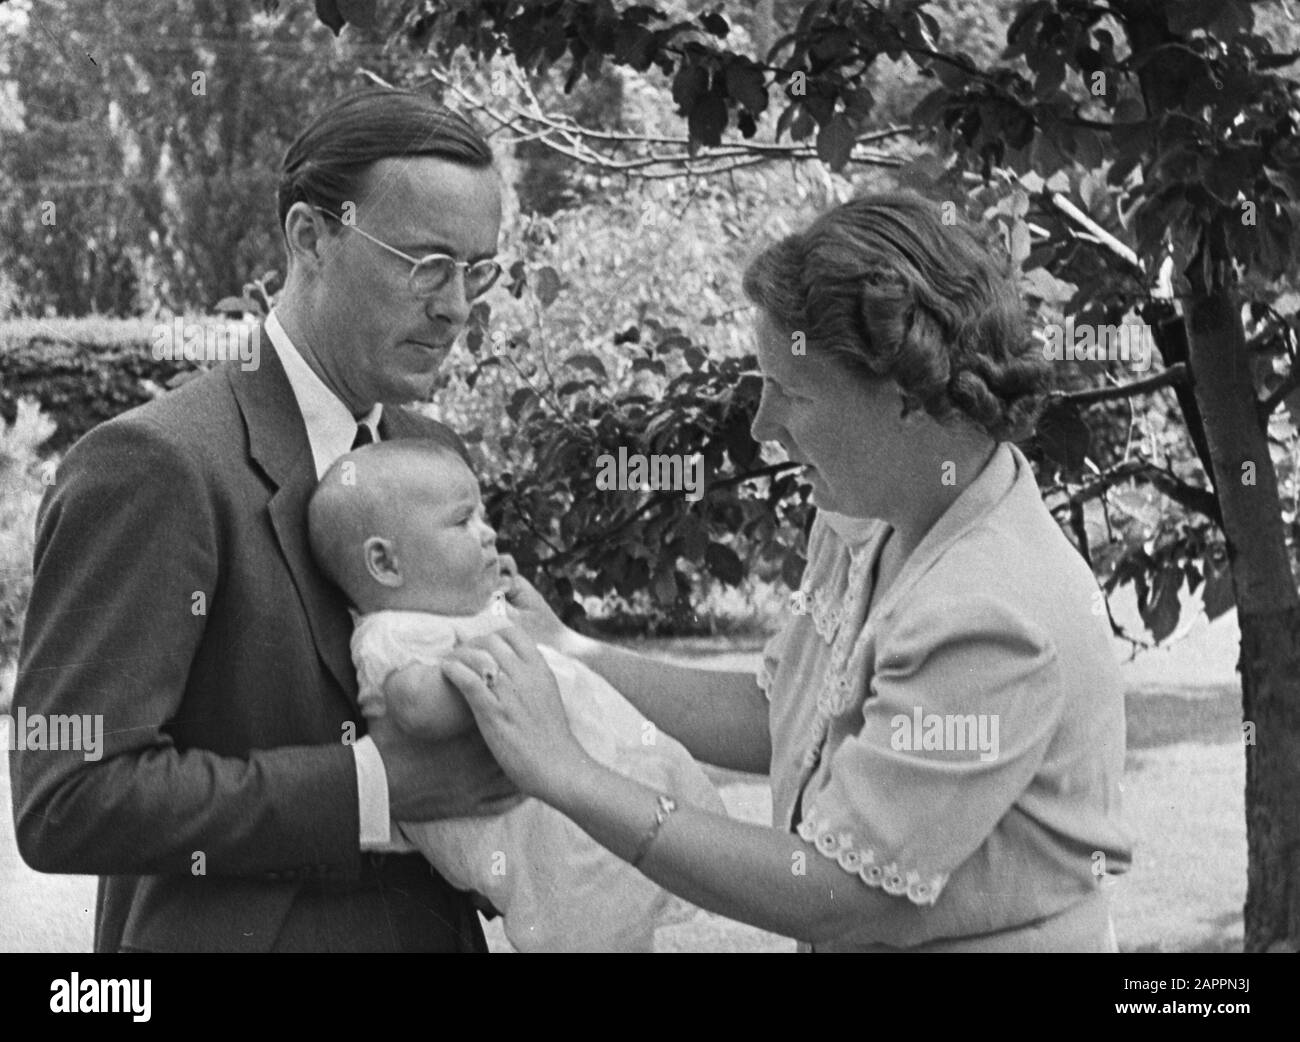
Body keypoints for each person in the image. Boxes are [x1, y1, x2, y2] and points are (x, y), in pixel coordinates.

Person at [442, 192, 1134, 952]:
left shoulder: (992, 614)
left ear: (907, 400)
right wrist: (570, 653)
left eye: (794, 393)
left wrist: (566, 774)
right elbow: (785, 716)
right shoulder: (867, 517)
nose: (762, 426)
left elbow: (838, 892)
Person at [10, 87, 516, 952]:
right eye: (427, 263)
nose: (457, 307)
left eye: (478, 270)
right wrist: (368, 789)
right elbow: (68, 796)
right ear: (309, 238)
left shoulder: (430, 450)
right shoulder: (156, 463)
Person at [306, 438, 724, 951]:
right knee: (585, 917)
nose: (488, 534)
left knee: (615, 913)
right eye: (463, 522)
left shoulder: (459, 616)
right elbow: (414, 708)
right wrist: (492, 676)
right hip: (514, 824)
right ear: (386, 564)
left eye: (483, 517)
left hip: (563, 812)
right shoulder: (392, 633)